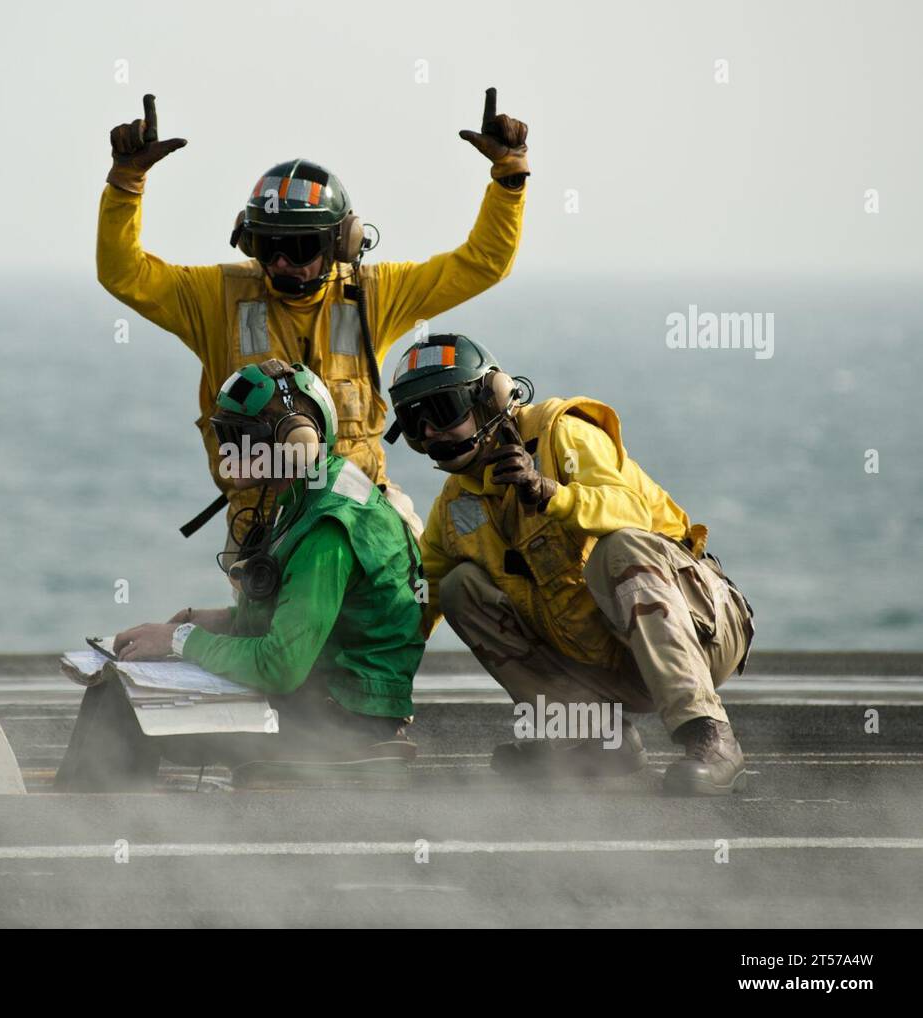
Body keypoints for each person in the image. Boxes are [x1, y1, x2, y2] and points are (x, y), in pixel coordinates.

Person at [96, 89, 529, 547]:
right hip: (266, 525)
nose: (282, 262)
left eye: (300, 248)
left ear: (340, 243)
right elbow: (124, 273)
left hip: (363, 511)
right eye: (269, 247)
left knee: (410, 600)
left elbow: (483, 263)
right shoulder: (212, 297)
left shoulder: (374, 293)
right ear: (248, 242)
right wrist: (127, 182)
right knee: (282, 622)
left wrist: (510, 174)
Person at [387, 334, 756, 795]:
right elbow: (415, 609)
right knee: (460, 587)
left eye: (441, 412)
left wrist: (550, 493)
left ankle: (710, 734)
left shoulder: (564, 434)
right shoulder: (456, 505)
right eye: (413, 421)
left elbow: (632, 511)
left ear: (490, 400)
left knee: (620, 549)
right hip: (603, 654)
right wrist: (365, 700)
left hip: (700, 629)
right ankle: (594, 738)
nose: (430, 433)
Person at [54, 360, 425, 790]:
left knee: (126, 703)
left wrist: (178, 641)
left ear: (295, 442)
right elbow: (303, 621)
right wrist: (208, 620)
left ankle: (96, 836)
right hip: (326, 697)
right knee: (118, 682)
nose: (227, 451)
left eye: (241, 439)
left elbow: (279, 667)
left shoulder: (329, 530)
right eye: (225, 436)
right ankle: (88, 823)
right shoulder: (311, 493)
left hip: (339, 720)